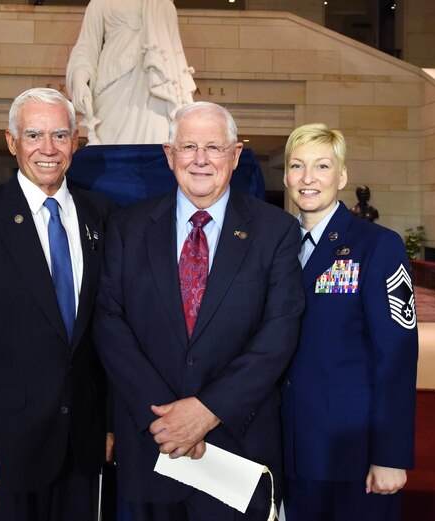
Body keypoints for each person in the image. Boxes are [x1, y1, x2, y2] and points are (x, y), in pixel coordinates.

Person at [94, 101, 305, 520]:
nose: (201, 159)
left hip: (235, 449)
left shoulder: (276, 231)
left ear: (236, 154)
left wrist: (205, 412)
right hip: (152, 445)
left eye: (214, 146)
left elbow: (278, 333)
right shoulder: (126, 228)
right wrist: (169, 421)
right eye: (188, 146)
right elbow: (109, 322)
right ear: (169, 154)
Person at [0, 87, 116, 521]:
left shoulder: (104, 216)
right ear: (12, 141)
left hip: (84, 445)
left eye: (60, 135)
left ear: (76, 141)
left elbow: (111, 330)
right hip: (1, 452)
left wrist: (109, 422)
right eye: (34, 135)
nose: (48, 149)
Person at [280, 123, 418, 521]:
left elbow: (397, 355)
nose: (308, 179)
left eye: (322, 167)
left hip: (352, 453)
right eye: (297, 166)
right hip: (288, 447)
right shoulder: (277, 244)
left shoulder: (378, 245)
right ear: (286, 175)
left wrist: (390, 454)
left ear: (341, 176)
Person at [66, 0, 196, 144]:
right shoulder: (101, 2)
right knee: (110, 153)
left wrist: (184, 97)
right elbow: (87, 45)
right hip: (114, 87)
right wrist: (79, 78)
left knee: (158, 148)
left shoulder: (163, 4)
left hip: (156, 87)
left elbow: (175, 53)